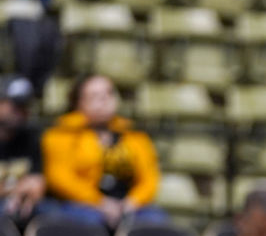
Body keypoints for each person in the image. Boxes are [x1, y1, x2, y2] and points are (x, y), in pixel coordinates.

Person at [40, 73, 165, 228]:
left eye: (109, 93)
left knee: (156, 220)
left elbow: (150, 179)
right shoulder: (62, 132)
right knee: (90, 222)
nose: (104, 100)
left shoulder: (134, 133)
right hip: (81, 204)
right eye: (94, 96)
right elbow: (59, 177)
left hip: (126, 205)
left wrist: (132, 202)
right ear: (79, 103)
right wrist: (99, 202)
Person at [0, 74, 44, 226]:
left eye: (25, 106)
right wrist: (16, 189)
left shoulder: (30, 137)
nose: (21, 112)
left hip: (22, 204)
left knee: (53, 213)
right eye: (16, 105)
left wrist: (26, 193)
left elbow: (38, 184)